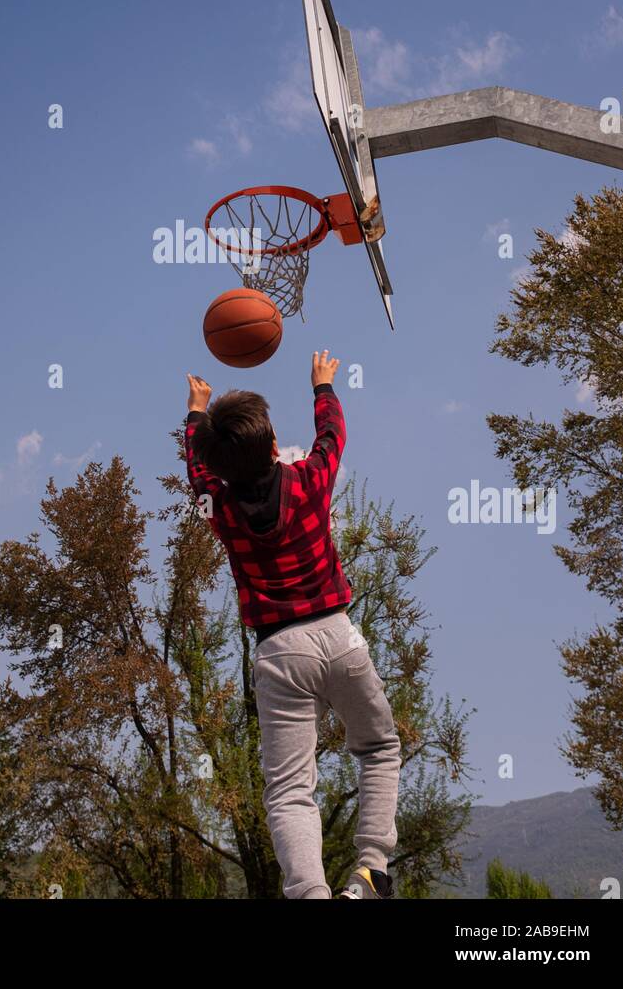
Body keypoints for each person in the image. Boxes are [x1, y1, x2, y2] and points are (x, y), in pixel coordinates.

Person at [185, 350, 401, 900]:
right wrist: (322, 388)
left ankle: (310, 893)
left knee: (288, 791)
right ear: (276, 444)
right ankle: (371, 870)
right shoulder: (308, 482)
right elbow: (332, 438)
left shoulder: (221, 510)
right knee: (377, 749)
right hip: (338, 635)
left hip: (278, 653)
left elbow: (198, 474)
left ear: (220, 467)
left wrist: (195, 414)